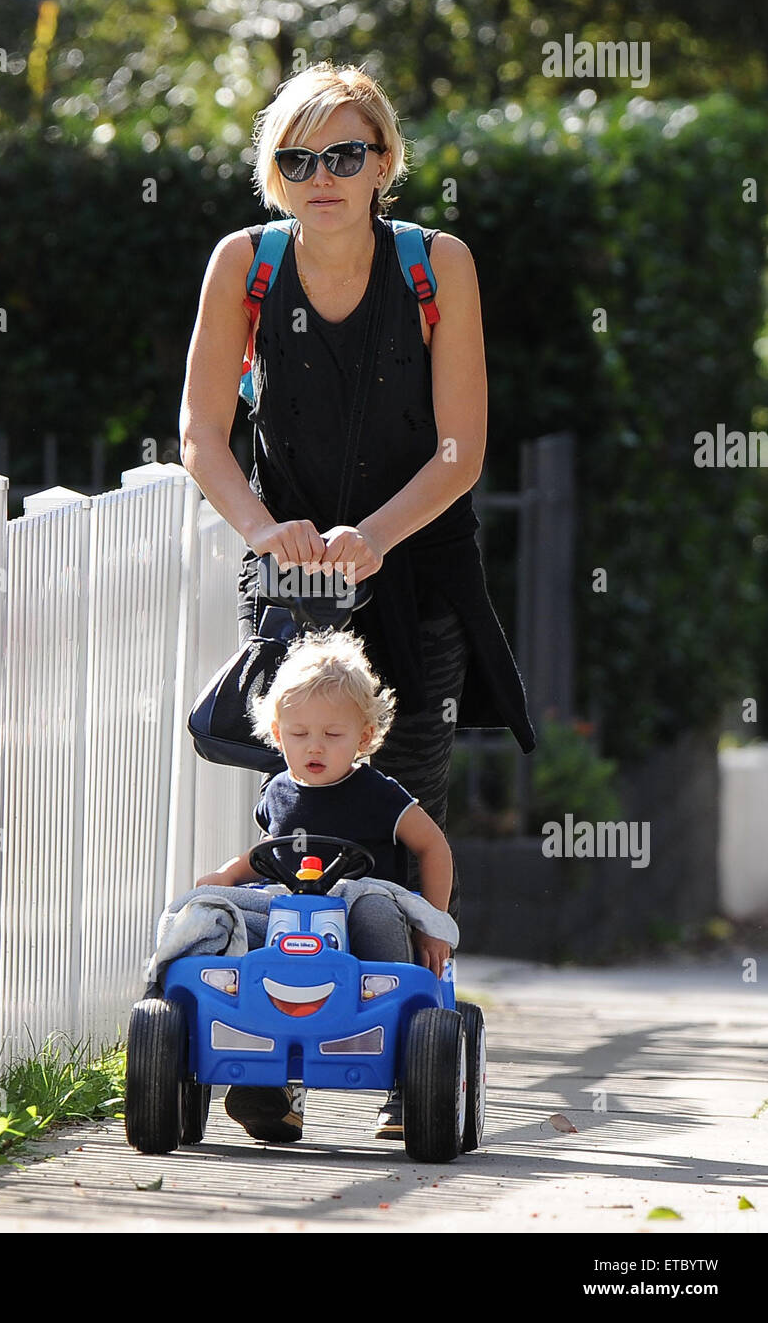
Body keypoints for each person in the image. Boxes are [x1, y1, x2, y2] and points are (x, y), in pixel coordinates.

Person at [178, 59, 535, 1137]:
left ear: (383, 162)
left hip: (416, 573)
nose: (322, 175)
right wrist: (266, 532)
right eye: (298, 158)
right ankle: (271, 1059)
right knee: (298, 811)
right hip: (291, 585)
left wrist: (371, 538)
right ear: (273, 173)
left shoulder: (437, 267)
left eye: (344, 153)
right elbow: (200, 436)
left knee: (394, 816)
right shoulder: (244, 266)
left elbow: (459, 448)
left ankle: (401, 1062)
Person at [195, 626, 457, 1143]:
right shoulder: (278, 791)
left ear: (362, 737)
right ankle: (268, 1077)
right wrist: (229, 877)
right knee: (229, 919)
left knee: (378, 913)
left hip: (360, 905)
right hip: (292, 913)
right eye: (299, 734)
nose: (314, 746)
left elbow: (434, 847)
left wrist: (433, 922)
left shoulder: (378, 793)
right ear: (276, 731)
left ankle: (407, 1052)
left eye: (332, 735)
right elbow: (266, 853)